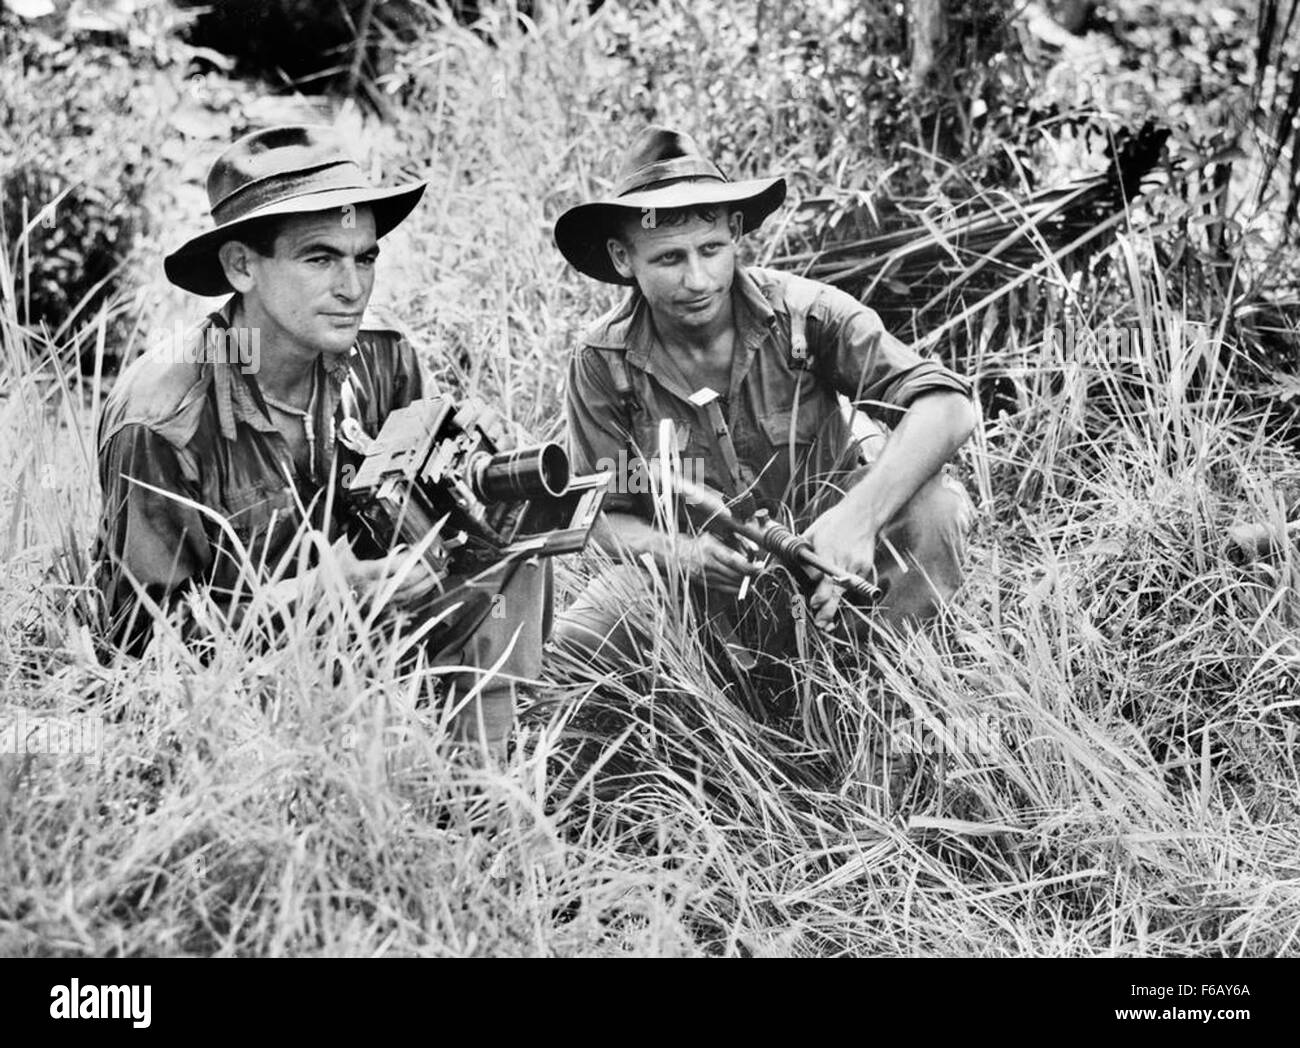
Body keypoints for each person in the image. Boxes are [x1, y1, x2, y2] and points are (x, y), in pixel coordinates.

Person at [93, 124, 548, 747]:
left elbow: (433, 507)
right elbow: (139, 648)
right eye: (320, 258)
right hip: (238, 699)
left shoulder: (383, 359)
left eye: (365, 257)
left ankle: (486, 780)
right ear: (241, 265)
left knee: (522, 535)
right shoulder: (164, 420)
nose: (353, 287)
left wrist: (476, 467)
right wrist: (317, 597)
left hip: (379, 643)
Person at [551, 126, 976, 671]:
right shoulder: (601, 364)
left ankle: (895, 696)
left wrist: (858, 519)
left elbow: (947, 405)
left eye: (711, 249)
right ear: (622, 258)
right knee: (581, 640)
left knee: (933, 507)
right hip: (707, 589)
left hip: (837, 562)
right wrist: (679, 554)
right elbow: (599, 517)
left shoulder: (806, 314)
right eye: (668, 259)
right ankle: (710, 716)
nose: (698, 279)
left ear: (734, 233)